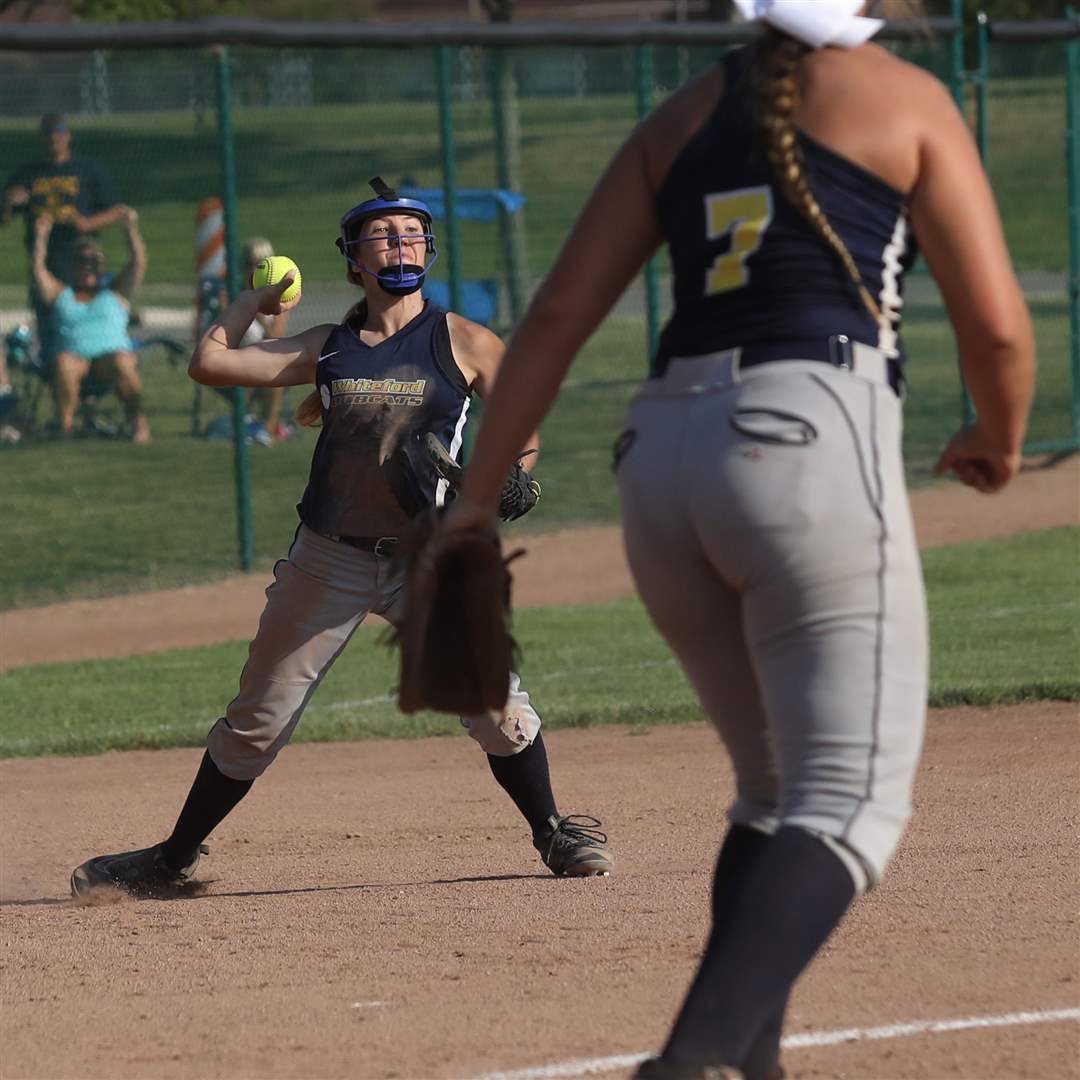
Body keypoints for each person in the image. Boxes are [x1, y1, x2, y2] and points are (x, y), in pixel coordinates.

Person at [441, 1, 1035, 1077]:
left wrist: (475, 502)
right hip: (805, 437)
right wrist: (997, 441)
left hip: (661, 458)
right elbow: (996, 326)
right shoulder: (903, 95)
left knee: (771, 793)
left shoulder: (678, 117)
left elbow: (558, 317)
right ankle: (691, 1062)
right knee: (850, 805)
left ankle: (743, 1066)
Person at [69, 178, 613, 898]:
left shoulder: (466, 340)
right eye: (382, 234)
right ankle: (171, 859)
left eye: (413, 231)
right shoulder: (330, 347)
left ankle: (552, 831)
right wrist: (252, 305)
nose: (400, 242)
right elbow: (211, 363)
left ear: (430, 247)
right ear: (354, 258)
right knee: (256, 725)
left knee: (495, 704)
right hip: (329, 558)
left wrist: (517, 470)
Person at [1, 114, 129, 368]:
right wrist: (7, 202)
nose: (54, 139)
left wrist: (87, 224)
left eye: (59, 133)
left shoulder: (87, 170)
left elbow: (118, 210)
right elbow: (3, 220)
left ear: (68, 136)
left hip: (83, 264)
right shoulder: (28, 174)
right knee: (51, 322)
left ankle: (93, 373)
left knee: (88, 318)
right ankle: (57, 369)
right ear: (41, 139)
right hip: (46, 263)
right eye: (48, 134)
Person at [31, 208, 151, 443]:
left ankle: (139, 423)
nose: (88, 265)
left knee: (122, 360)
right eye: (81, 260)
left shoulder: (115, 292)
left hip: (108, 361)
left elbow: (138, 263)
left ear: (102, 266)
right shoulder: (61, 294)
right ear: (72, 266)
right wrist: (41, 236)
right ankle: (64, 427)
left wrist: (130, 230)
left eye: (94, 260)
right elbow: (38, 271)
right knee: (65, 362)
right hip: (74, 362)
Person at [240, 236, 294, 445]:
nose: (254, 269)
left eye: (260, 263)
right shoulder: (234, 295)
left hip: (264, 357)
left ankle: (267, 429)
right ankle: (244, 426)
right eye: (250, 263)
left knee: (275, 375)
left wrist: (260, 311)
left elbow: (275, 336)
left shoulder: (279, 300)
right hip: (237, 358)